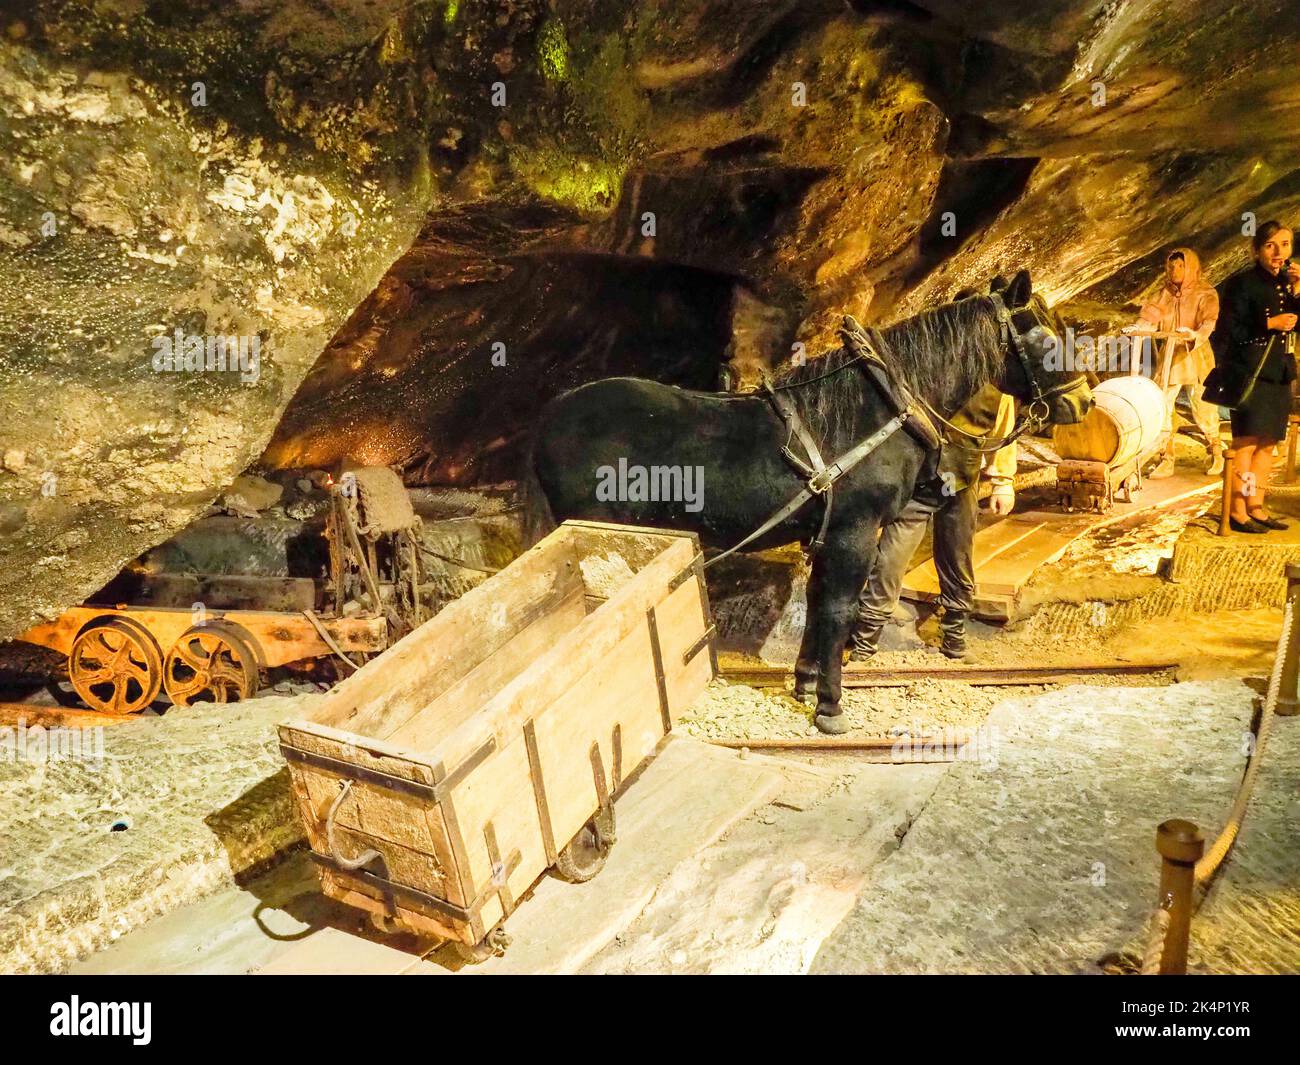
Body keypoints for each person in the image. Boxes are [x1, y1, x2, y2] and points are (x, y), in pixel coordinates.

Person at [850, 384, 1015, 662]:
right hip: (920, 481)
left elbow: (1003, 434)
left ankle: (954, 636)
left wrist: (1003, 483)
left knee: (957, 555)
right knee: (891, 557)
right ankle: (865, 641)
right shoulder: (929, 370)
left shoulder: (997, 389)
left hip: (963, 479)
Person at [1209, 221, 1300, 533]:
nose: (1278, 252)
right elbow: (1227, 332)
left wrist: (1299, 291)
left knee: (1268, 445)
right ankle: (1237, 509)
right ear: (1257, 249)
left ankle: (1255, 505)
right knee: (1246, 444)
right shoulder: (1243, 284)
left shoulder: (1288, 285)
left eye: (1285, 244)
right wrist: (1268, 325)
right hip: (1250, 373)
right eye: (1270, 245)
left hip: (1279, 373)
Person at [1124, 248, 1222, 476]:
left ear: (1191, 267)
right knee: (1163, 405)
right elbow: (1150, 317)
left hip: (1196, 356)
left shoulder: (1205, 292)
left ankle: (1217, 452)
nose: (1175, 270)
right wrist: (1138, 327)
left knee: (1204, 406)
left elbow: (1209, 323)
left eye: (1181, 265)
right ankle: (1166, 458)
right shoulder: (1164, 293)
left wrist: (1194, 335)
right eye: (1171, 266)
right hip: (1171, 358)